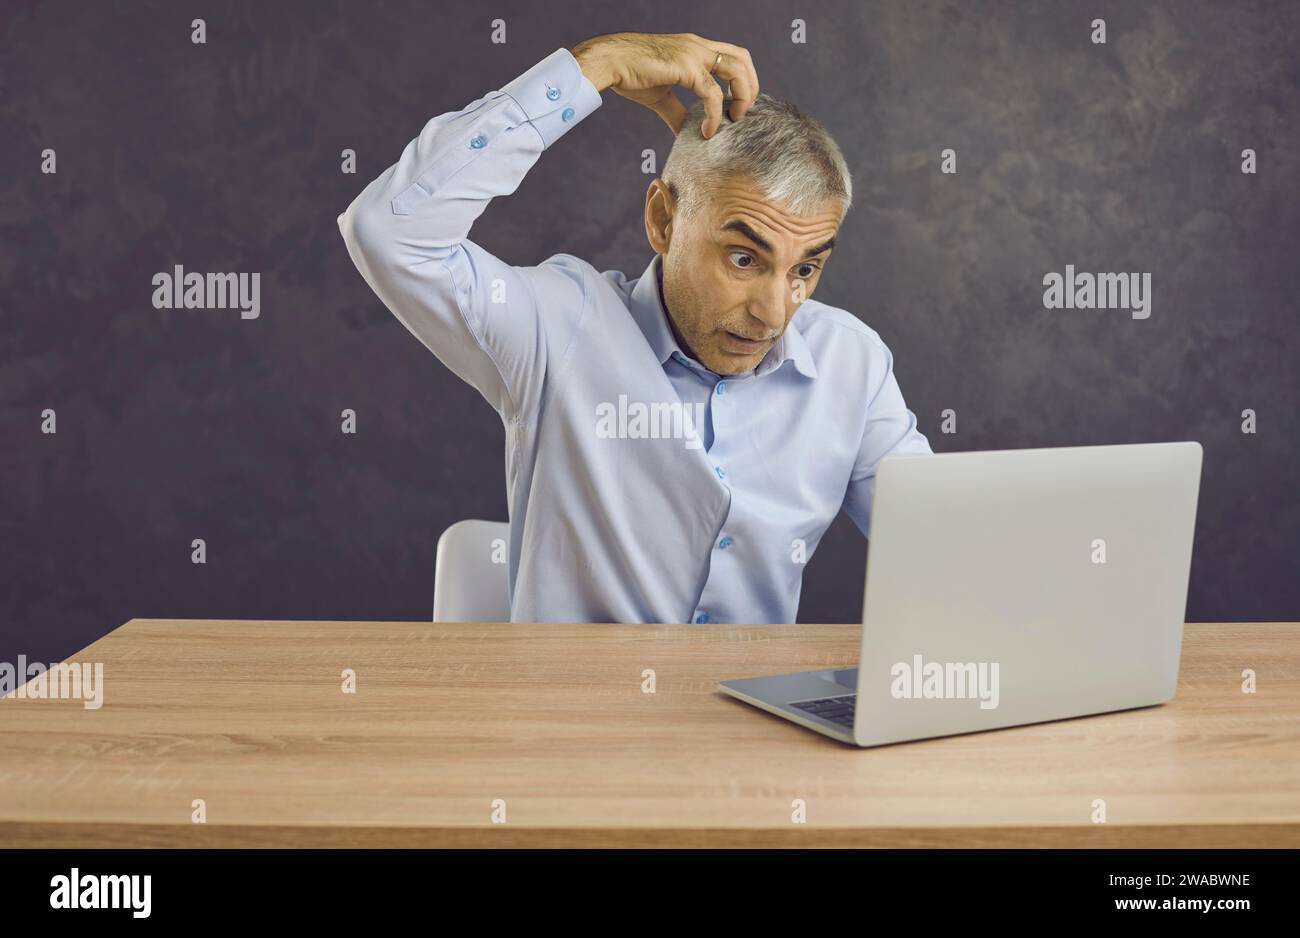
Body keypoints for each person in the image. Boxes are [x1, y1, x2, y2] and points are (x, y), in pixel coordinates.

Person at [337, 31, 931, 624]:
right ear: (663, 219)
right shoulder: (558, 326)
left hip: (758, 715)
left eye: (805, 268)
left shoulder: (851, 363)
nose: (775, 313)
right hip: (577, 712)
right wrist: (594, 66)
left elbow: (945, 543)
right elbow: (389, 231)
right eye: (743, 259)